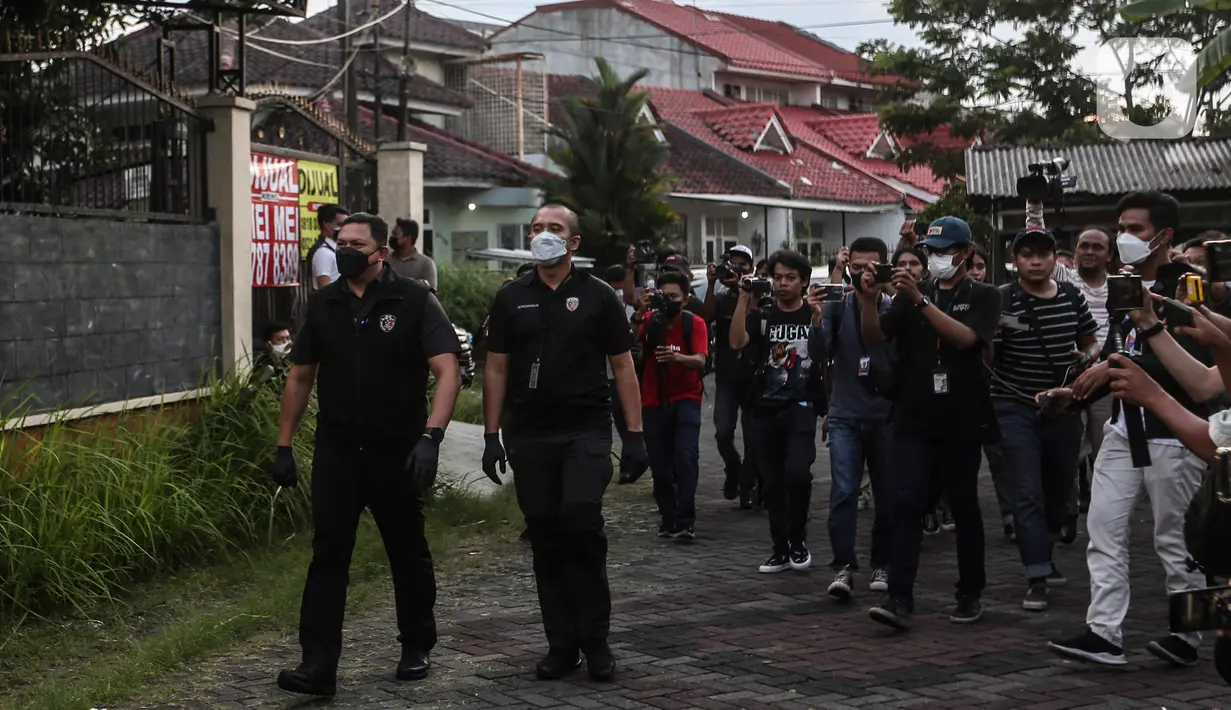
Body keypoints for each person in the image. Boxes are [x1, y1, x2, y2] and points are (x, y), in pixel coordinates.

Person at [270, 212, 462, 697]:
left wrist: (431, 438)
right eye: (341, 241)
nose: (344, 249)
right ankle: (318, 666)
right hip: (338, 451)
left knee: (406, 549)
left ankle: (416, 643)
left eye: (357, 243)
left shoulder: (414, 300)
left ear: (381, 252)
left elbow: (447, 370)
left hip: (397, 450)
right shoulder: (324, 303)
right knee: (328, 553)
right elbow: (299, 376)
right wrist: (285, 445)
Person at [480, 204, 648, 683]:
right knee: (546, 537)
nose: (543, 235)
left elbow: (622, 367)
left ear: (574, 243)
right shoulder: (512, 297)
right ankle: (562, 644)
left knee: (581, 521)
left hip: (585, 430)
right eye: (536, 228)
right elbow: (496, 368)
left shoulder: (599, 298)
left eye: (554, 229)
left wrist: (634, 435)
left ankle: (596, 640)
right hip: (529, 433)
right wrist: (491, 436)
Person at [1050, 191, 1211, 667]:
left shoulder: (1190, 288)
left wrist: (1115, 364)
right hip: (1124, 429)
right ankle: (1104, 633)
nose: (1125, 237)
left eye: (1136, 229)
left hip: (1175, 433)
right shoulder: (1123, 286)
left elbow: (1199, 369)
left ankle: (1189, 636)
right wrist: (1078, 390)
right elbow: (1116, 355)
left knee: (1176, 539)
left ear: (1164, 236)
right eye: (1121, 226)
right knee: (1103, 529)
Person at [859, 216, 1001, 629]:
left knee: (964, 505)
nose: (937, 259)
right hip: (913, 413)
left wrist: (921, 302)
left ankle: (970, 591)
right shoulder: (911, 295)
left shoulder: (984, 295)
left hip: (961, 416)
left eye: (946, 251)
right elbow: (875, 337)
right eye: (932, 251)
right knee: (905, 502)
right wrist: (869, 299)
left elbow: (967, 340)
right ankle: (898, 597)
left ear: (966, 254)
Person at [991, 227, 1099, 611]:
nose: (1035, 262)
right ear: (1015, 260)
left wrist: (1086, 363)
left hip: (1063, 405)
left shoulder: (1071, 295)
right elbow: (986, 357)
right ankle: (1036, 574)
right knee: (1026, 490)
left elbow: (1090, 341)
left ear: (1056, 259)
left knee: (1059, 490)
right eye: (1026, 255)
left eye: (1043, 254)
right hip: (1014, 405)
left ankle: (1047, 551)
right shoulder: (1002, 300)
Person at [730, 249, 825, 575]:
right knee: (771, 483)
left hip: (801, 407)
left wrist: (816, 322)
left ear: (804, 282)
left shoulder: (811, 314)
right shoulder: (765, 315)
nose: (783, 284)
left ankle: (798, 541)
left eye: (790, 278)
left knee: (798, 474)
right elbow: (737, 341)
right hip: (765, 408)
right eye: (778, 277)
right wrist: (744, 299)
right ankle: (780, 549)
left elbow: (823, 355)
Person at [819, 237, 896, 600]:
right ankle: (843, 567)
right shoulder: (838, 305)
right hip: (845, 415)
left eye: (872, 267)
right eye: (857, 266)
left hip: (885, 415)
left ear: (884, 267)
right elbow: (821, 352)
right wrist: (815, 316)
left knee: (887, 494)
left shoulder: (896, 308)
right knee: (842, 492)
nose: (864, 273)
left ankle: (883, 562)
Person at [633, 270, 708, 538]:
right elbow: (631, 349)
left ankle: (686, 519)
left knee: (686, 457)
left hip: (686, 397)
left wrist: (677, 359)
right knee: (660, 464)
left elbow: (701, 360)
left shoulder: (694, 323)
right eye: (663, 295)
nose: (668, 301)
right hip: (653, 400)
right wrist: (639, 315)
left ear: (686, 299)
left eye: (674, 296)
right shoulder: (650, 321)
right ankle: (668, 518)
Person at [701, 245, 760, 508]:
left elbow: (757, 316)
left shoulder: (759, 293)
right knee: (723, 431)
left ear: (752, 267)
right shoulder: (722, 297)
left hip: (754, 376)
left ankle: (748, 486)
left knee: (753, 437)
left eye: (742, 266)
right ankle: (734, 469)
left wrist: (743, 290)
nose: (737, 270)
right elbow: (705, 317)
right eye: (732, 265)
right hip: (726, 375)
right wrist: (712, 284)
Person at [388, 218, 438, 290]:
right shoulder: (386, 261)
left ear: (408, 238)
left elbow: (431, 294)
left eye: (396, 234)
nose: (393, 238)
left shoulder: (426, 264)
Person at [307, 204, 349, 290]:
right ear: (327, 225)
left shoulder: (335, 250)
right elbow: (325, 289)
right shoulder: (324, 253)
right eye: (340, 224)